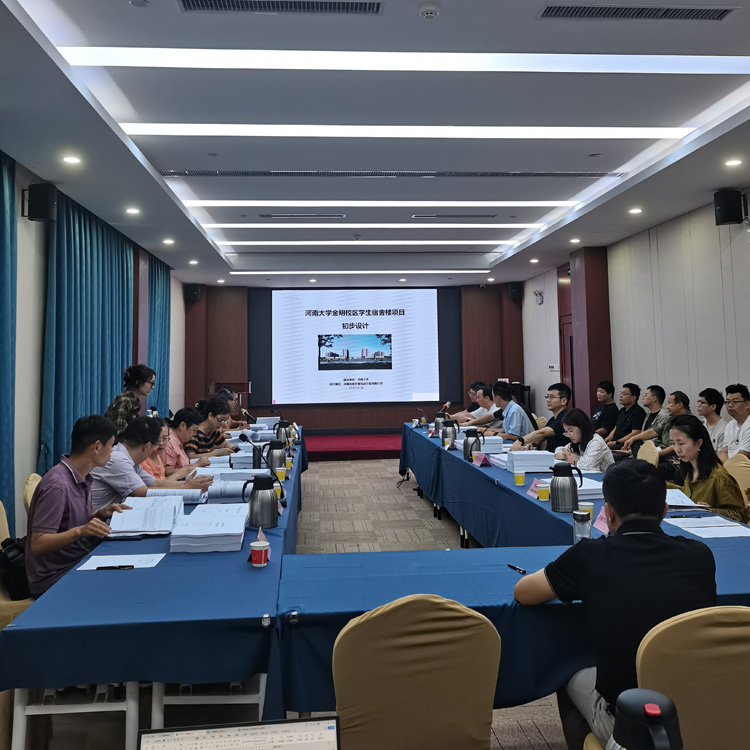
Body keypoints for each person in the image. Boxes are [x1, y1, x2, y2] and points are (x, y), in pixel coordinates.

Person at [514, 460, 717, 749]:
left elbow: (524, 593)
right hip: (695, 704)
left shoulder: (590, 556)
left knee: (565, 671)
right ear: (664, 511)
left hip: (630, 718)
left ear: (608, 512)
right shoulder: (700, 555)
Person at [25, 415, 130, 598]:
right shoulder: (57, 486)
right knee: (126, 585)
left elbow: (74, 522)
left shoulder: (82, 476)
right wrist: (81, 531)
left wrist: (100, 515)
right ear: (97, 447)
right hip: (56, 576)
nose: (112, 452)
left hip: (78, 559)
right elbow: (38, 543)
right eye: (111, 446)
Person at [90, 417, 213, 511]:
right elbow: (142, 492)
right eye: (155, 445)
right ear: (147, 446)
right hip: (99, 525)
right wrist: (185, 488)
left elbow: (156, 483)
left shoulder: (131, 460)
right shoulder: (118, 459)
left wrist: (190, 484)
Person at [668, 415, 748, 523]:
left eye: (681, 443)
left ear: (698, 443)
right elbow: (690, 495)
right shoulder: (690, 469)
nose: (677, 449)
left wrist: (710, 511)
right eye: (673, 443)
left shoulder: (719, 477)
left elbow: (740, 515)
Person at [510, 383, 571, 452]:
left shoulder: (566, 418)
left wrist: (521, 440)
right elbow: (540, 438)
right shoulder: (553, 419)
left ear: (563, 401)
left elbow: (542, 433)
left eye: (552, 397)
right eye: (547, 396)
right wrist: (531, 443)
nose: (548, 400)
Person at [554, 408, 614, 473]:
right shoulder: (579, 441)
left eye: (571, 431)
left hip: (607, 477)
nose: (569, 435)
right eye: (566, 432)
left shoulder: (596, 442)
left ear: (581, 427)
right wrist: (564, 454)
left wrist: (574, 461)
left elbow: (588, 466)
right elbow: (559, 449)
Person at [104, 364, 156, 435]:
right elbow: (119, 433)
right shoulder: (124, 400)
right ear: (139, 381)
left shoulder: (132, 400)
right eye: (151, 383)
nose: (152, 387)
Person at [620, 385, 668, 455]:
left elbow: (653, 433)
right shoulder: (648, 415)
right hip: (643, 449)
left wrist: (633, 440)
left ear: (654, 398)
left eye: (645, 395)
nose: (643, 398)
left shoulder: (664, 416)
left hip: (655, 452)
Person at [163, 407, 210, 477]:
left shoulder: (179, 440)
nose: (194, 434)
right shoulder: (169, 442)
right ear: (182, 426)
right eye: (194, 430)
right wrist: (196, 465)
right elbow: (167, 472)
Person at [604, 383, 646, 450]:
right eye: (620, 393)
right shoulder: (622, 410)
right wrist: (608, 438)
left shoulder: (638, 412)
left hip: (626, 445)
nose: (621, 396)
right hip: (615, 442)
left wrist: (617, 442)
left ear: (633, 398)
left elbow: (635, 433)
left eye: (624, 394)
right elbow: (616, 428)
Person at [718, 384, 750, 462]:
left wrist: (727, 466)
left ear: (747, 404)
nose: (730, 405)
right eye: (727, 402)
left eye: (735, 401)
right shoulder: (730, 425)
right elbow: (724, 452)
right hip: (730, 465)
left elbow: (743, 455)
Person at [696, 387, 727, 453]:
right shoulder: (701, 424)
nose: (698, 405)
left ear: (713, 406)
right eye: (698, 402)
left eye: (701, 402)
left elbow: (722, 455)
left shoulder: (724, 428)